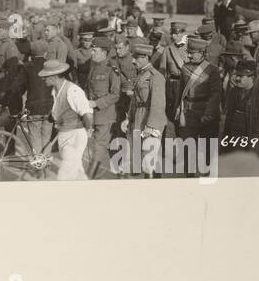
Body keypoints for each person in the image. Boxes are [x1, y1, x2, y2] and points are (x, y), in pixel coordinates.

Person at [174, 36, 223, 174]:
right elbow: (180, 92)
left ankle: (208, 179)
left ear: (201, 53)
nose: (189, 55)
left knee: (208, 151)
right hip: (188, 113)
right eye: (188, 52)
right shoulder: (184, 67)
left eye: (192, 53)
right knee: (187, 149)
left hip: (206, 113)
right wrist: (178, 110)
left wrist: (208, 114)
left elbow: (216, 95)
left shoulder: (212, 70)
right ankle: (189, 179)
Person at [40, 59, 94, 180]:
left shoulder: (72, 90)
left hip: (74, 136)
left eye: (46, 77)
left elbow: (87, 113)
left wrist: (89, 129)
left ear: (54, 77)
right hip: (64, 134)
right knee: (78, 173)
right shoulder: (55, 91)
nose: (43, 79)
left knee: (64, 176)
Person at [221, 58, 259, 163]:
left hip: (253, 144)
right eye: (236, 75)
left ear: (252, 77)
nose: (237, 79)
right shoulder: (235, 92)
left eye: (241, 76)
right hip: (234, 141)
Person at [123, 41, 167, 177]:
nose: (133, 61)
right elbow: (135, 101)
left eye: (136, 58)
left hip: (151, 119)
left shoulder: (156, 77)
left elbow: (158, 104)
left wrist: (151, 126)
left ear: (145, 58)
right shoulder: (141, 75)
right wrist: (128, 119)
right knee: (141, 155)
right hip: (139, 117)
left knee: (149, 157)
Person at [83, 37, 120, 179]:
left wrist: (96, 103)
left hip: (105, 115)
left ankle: (90, 177)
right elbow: (89, 88)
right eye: (92, 50)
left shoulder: (112, 68)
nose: (91, 53)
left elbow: (115, 95)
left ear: (104, 52)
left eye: (95, 50)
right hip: (92, 113)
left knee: (99, 146)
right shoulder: (93, 66)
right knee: (95, 144)